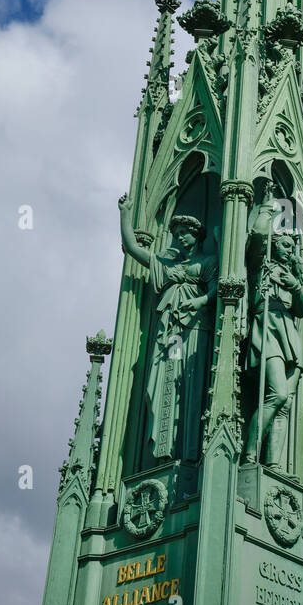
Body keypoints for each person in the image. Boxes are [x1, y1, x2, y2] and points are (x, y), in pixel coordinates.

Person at [119, 194, 217, 462]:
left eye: (185, 232)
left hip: (195, 330)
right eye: (177, 233)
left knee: (191, 384)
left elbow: (219, 287)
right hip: (171, 334)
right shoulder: (165, 264)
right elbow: (133, 248)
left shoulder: (207, 262)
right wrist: (125, 214)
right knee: (167, 379)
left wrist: (199, 300)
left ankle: (189, 453)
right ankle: (165, 449)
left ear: (197, 234)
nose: (181, 237)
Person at [244, 206, 303, 470]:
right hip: (268, 326)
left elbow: (301, 310)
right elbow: (258, 233)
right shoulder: (261, 264)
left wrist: (296, 287)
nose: (289, 250)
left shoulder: (291, 274)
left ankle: (273, 465)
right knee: (278, 394)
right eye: (284, 244)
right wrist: (268, 208)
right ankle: (249, 455)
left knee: (285, 404)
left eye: (292, 246)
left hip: (289, 333)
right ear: (273, 244)